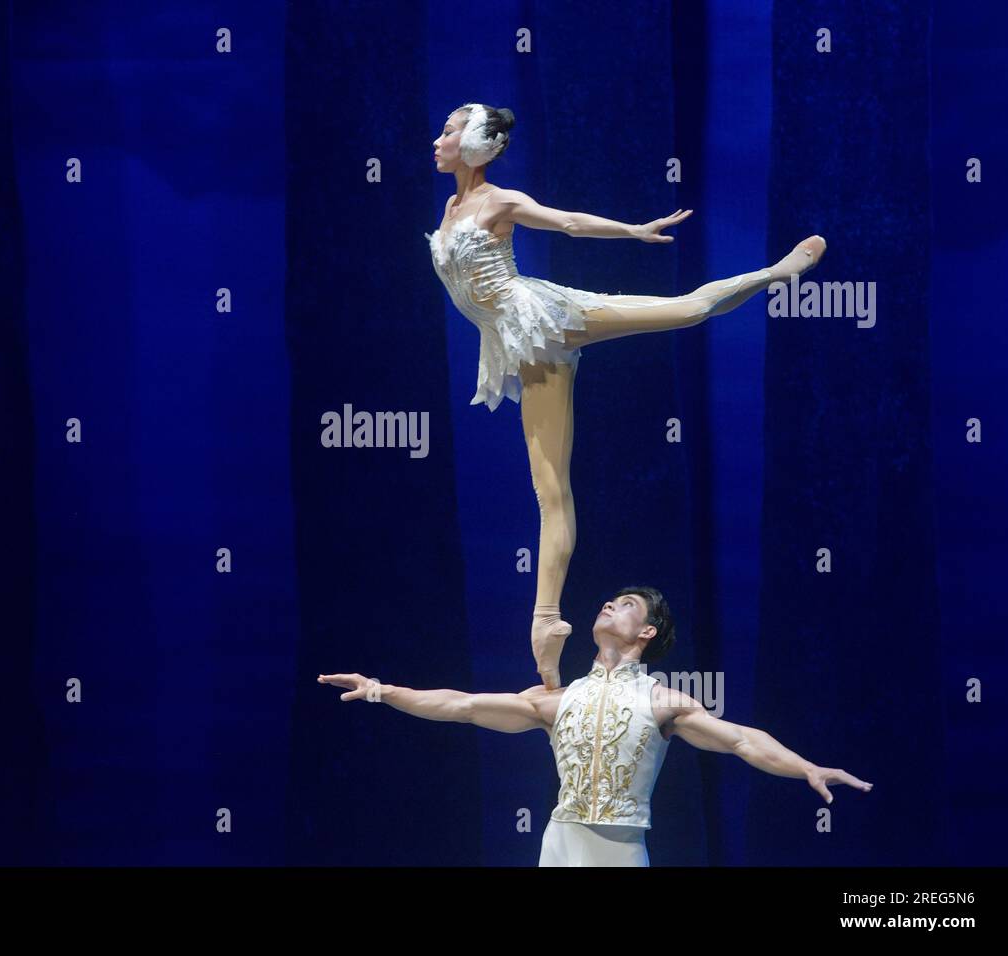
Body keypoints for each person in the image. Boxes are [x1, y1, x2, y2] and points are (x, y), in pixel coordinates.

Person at [426, 103, 827, 688]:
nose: (438, 140)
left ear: (477, 143)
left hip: (543, 315)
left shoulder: (499, 202)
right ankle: (545, 626)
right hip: (517, 344)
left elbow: (565, 221)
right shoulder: (451, 206)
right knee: (550, 491)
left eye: (449, 130)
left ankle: (776, 273)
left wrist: (631, 231)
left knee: (687, 310)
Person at [319, 585, 870, 866]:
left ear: (647, 632)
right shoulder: (554, 701)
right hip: (560, 845)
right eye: (610, 600)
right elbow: (461, 705)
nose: (609, 603)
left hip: (619, 851)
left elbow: (745, 740)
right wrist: (383, 691)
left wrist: (806, 767)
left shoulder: (665, 702)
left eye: (625, 604)